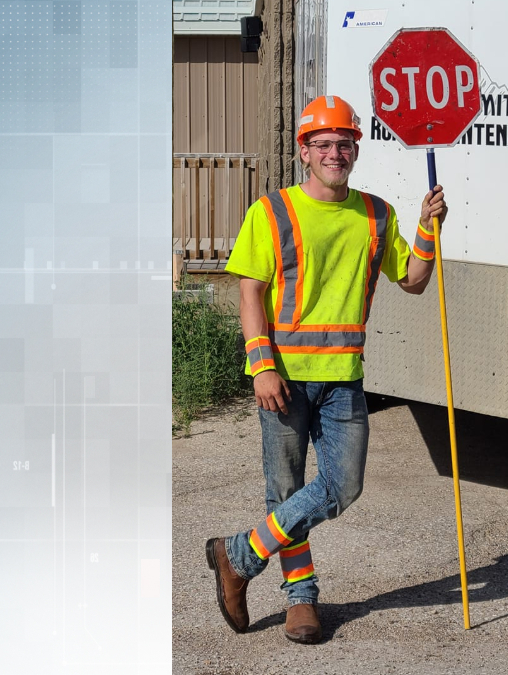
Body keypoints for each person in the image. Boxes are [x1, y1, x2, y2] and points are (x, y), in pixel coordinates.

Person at [205, 95, 447, 644]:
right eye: (324, 144)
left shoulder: (377, 213)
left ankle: (237, 555)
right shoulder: (272, 211)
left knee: (343, 484)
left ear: (355, 151)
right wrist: (261, 365)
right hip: (283, 376)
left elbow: (413, 279)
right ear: (304, 152)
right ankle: (301, 601)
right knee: (286, 488)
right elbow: (251, 293)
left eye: (344, 144)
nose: (335, 153)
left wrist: (428, 227)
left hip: (343, 377)